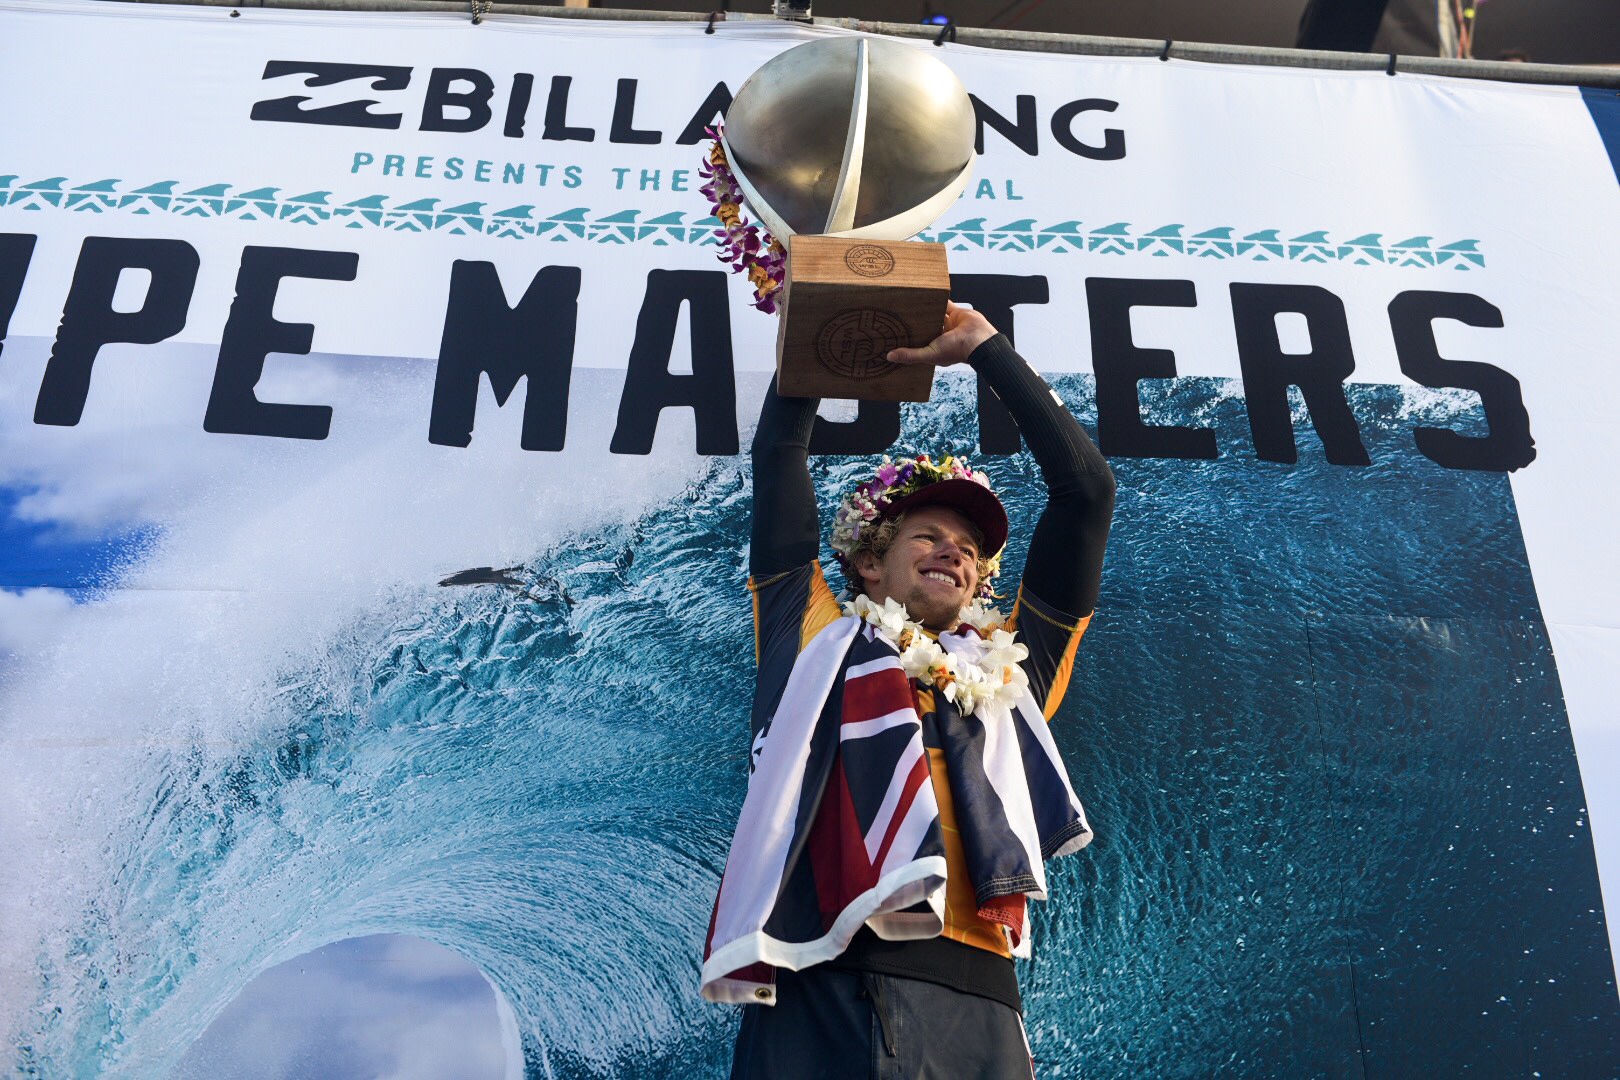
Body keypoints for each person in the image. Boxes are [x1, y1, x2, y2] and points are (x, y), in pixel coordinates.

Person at [701, 302, 1116, 1078]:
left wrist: (987, 349)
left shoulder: (1012, 674)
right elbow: (780, 456)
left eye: (969, 550)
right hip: (827, 982)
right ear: (869, 561)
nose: (954, 553)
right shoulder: (812, 640)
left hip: (984, 1002)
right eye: (928, 535)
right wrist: (817, 330)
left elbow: (1087, 494)